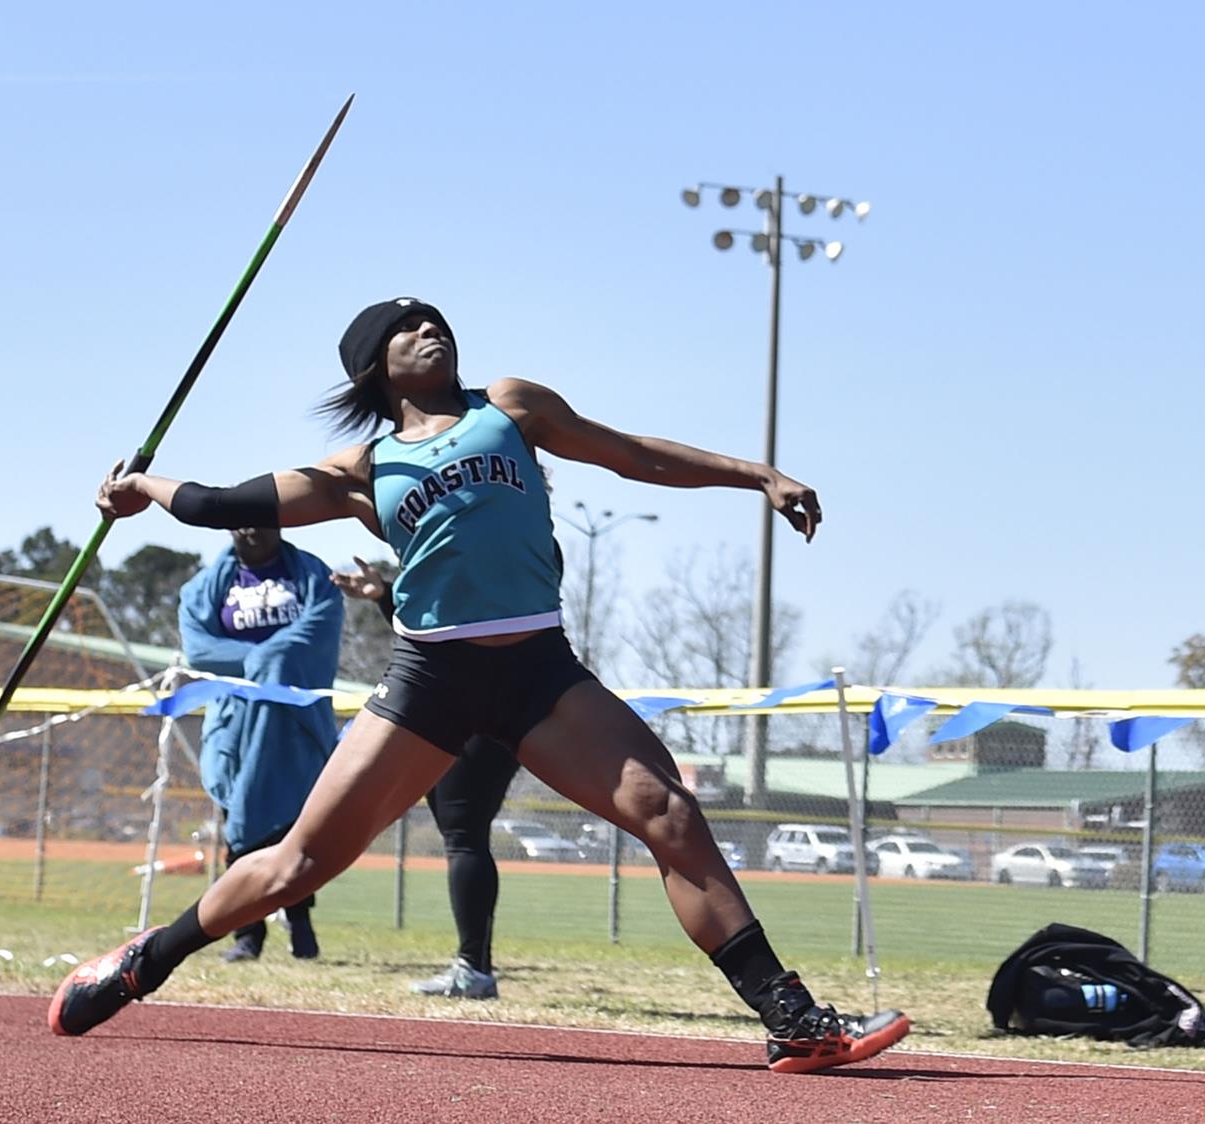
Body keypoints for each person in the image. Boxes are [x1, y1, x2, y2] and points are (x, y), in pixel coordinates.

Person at [51, 298, 909, 1073]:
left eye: (437, 319)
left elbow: (632, 456)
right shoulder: (362, 467)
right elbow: (216, 501)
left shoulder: (509, 407)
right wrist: (141, 487)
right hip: (434, 679)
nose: (433, 329)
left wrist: (755, 473)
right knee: (297, 866)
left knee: (671, 813)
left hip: (539, 668)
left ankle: (790, 1019)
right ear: (373, 367)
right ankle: (144, 962)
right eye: (408, 327)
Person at [331, 557, 514, 1000]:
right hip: (465, 703)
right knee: (465, 835)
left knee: (465, 836)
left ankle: (474, 969)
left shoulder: (511, 547)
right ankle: (476, 966)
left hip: (480, 708)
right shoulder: (504, 540)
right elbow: (435, 627)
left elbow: (453, 629)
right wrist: (384, 595)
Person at [179, 527, 344, 962]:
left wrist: (271, 663)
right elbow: (199, 648)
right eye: (240, 521)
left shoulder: (310, 575)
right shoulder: (208, 584)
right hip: (235, 723)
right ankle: (246, 934)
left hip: (294, 723)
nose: (250, 530)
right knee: (242, 822)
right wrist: (266, 660)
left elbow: (319, 628)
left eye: (259, 519)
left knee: (298, 830)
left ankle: (301, 923)